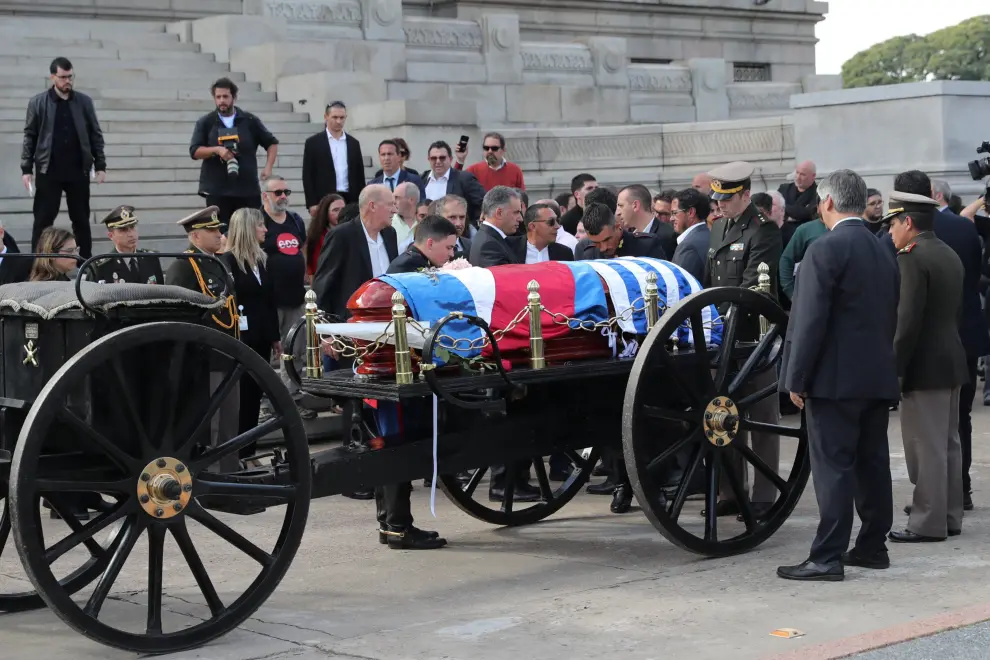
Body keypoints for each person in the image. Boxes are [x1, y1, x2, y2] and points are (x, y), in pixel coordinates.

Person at [776, 170, 900, 582]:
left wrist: (796, 378)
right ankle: (872, 546)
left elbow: (808, 321)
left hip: (832, 380)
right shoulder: (884, 248)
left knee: (833, 470)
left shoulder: (825, 249)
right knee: (872, 464)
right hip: (875, 375)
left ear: (826, 202)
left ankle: (827, 556)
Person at [886, 191, 968, 543]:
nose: (890, 231)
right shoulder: (947, 252)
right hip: (951, 359)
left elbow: (906, 323)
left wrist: (894, 368)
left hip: (924, 365)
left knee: (926, 446)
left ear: (909, 222)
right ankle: (948, 515)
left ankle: (927, 522)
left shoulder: (912, 258)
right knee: (948, 442)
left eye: (893, 224)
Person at [705, 161, 782, 520]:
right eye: (717, 198)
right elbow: (712, 281)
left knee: (762, 418)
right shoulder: (719, 228)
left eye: (727, 198)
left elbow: (752, 285)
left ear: (745, 195)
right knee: (724, 414)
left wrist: (716, 314)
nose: (719, 205)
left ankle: (765, 494)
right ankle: (732, 490)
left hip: (754, 337)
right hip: (724, 337)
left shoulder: (763, 231)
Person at [579, 202, 665, 512]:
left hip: (642, 339)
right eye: (595, 243)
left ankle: (652, 484)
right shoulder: (585, 253)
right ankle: (621, 484)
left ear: (618, 226)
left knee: (646, 419)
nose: (602, 248)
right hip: (605, 343)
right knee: (609, 418)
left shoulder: (648, 246)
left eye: (606, 240)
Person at [166, 207, 241, 475]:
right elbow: (179, 313)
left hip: (228, 350)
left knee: (229, 419)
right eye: (212, 231)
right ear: (195, 237)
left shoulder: (220, 262)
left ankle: (229, 472)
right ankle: (212, 475)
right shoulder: (183, 266)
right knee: (213, 422)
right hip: (204, 356)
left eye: (219, 229)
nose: (219, 235)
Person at [22, 57, 106, 258]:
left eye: (70, 76)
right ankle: (38, 263)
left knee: (81, 220)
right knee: (43, 220)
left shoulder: (84, 102)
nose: (68, 81)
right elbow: (29, 136)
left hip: (78, 170)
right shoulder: (38, 102)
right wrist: (26, 169)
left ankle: (85, 264)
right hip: (48, 170)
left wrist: (100, 163)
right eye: (63, 77)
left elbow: (95, 133)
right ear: (53, 77)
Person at [220, 208, 281, 456]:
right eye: (260, 226)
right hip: (240, 340)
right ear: (247, 229)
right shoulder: (228, 262)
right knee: (241, 397)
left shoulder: (261, 261)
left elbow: (269, 301)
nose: (266, 230)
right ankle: (238, 453)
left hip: (261, 339)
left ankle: (250, 451)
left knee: (255, 395)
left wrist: (275, 336)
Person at [189, 77, 279, 226]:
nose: (222, 101)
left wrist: (268, 167)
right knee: (222, 235)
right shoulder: (206, 122)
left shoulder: (249, 120)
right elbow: (195, 151)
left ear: (234, 98)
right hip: (217, 189)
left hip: (247, 188)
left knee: (250, 231)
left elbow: (272, 143)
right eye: (218, 97)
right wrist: (217, 150)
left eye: (225, 96)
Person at [313, 184, 399, 322]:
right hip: (352, 322)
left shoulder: (390, 234)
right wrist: (325, 329)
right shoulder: (341, 235)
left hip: (388, 319)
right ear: (372, 206)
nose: (395, 210)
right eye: (390, 204)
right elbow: (324, 284)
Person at [302, 101, 365, 210]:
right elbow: (308, 175)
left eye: (342, 118)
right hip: (325, 198)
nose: (338, 121)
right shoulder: (313, 143)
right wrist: (311, 203)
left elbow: (359, 175)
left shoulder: (353, 143)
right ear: (326, 117)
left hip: (350, 198)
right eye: (334, 117)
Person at [91, 206, 164, 285]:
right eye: (123, 230)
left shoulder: (151, 259)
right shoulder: (102, 267)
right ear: (111, 236)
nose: (131, 234)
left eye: (132, 227)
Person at [467, 186, 524, 267]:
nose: (520, 219)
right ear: (499, 213)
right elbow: (504, 278)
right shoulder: (489, 245)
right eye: (516, 212)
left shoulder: (489, 238)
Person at [509, 203, 574, 264]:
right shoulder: (509, 248)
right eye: (551, 222)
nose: (557, 226)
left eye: (557, 221)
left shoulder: (564, 253)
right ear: (532, 226)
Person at [670, 188, 711, 282]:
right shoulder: (710, 236)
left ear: (691, 212)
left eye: (675, 213)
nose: (671, 218)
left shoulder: (688, 246)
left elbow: (681, 285)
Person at [306, 194, 345, 282]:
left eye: (343, 209)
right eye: (335, 210)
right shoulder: (318, 236)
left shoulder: (353, 231)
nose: (341, 213)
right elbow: (314, 266)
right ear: (325, 213)